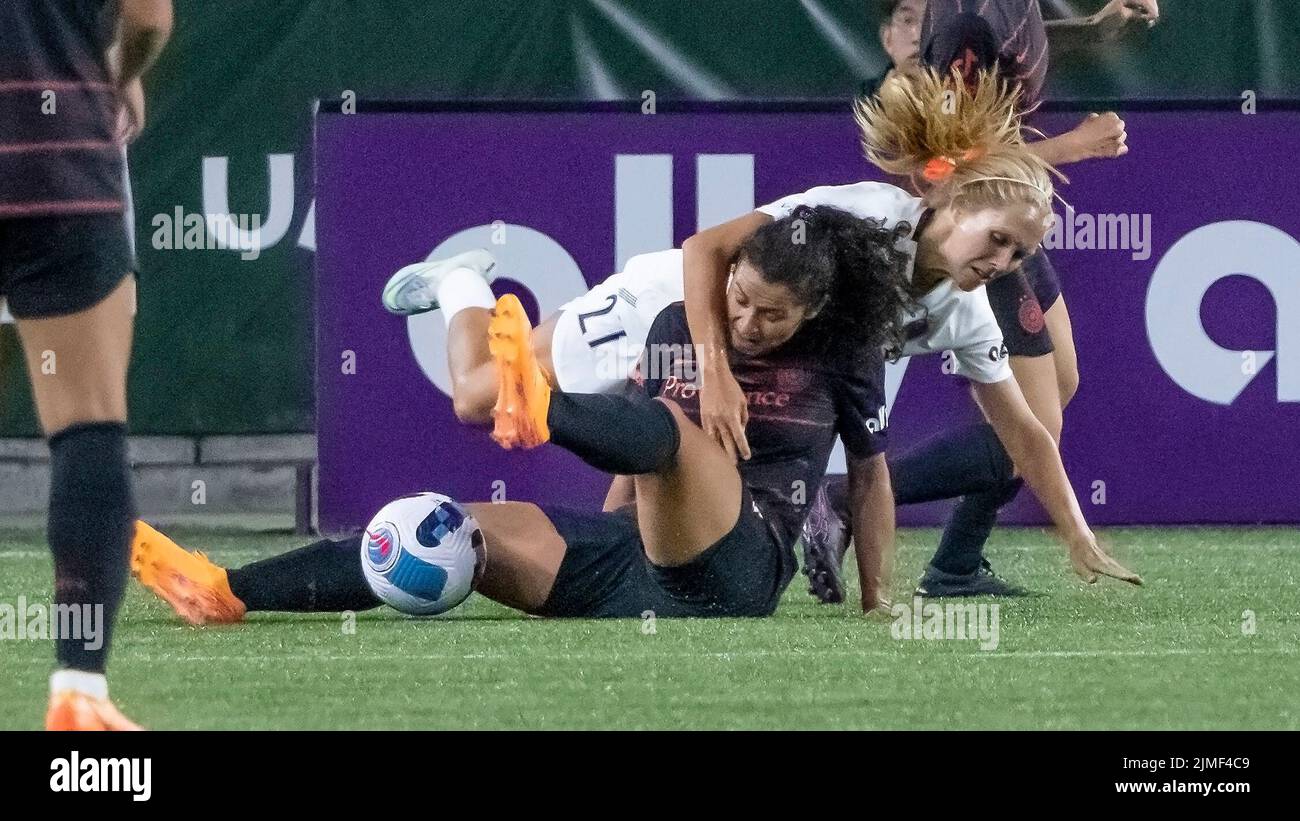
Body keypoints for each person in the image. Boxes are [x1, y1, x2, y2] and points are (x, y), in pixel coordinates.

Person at [131, 207, 914, 622]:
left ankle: (539, 402)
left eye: (772, 317)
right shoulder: (680, 324)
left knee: (672, 436)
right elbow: (645, 463)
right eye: (740, 299)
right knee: (443, 528)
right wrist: (609, 535)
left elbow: (872, 479)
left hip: (744, 569)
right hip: (649, 563)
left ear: (811, 310)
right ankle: (226, 588)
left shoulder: (844, 354)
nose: (747, 323)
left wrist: (877, 601)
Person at [800, 0, 1162, 601]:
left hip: (1011, 221)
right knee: (1033, 428)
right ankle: (850, 504)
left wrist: (1094, 29)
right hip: (981, 229)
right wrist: (1074, 146)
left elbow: (1016, 58)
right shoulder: (970, 17)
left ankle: (954, 562)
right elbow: (948, 172)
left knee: (1062, 383)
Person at [0, 0, 173, 729]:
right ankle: (79, 687)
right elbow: (146, 18)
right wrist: (112, 75)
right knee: (88, 427)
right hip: (55, 158)